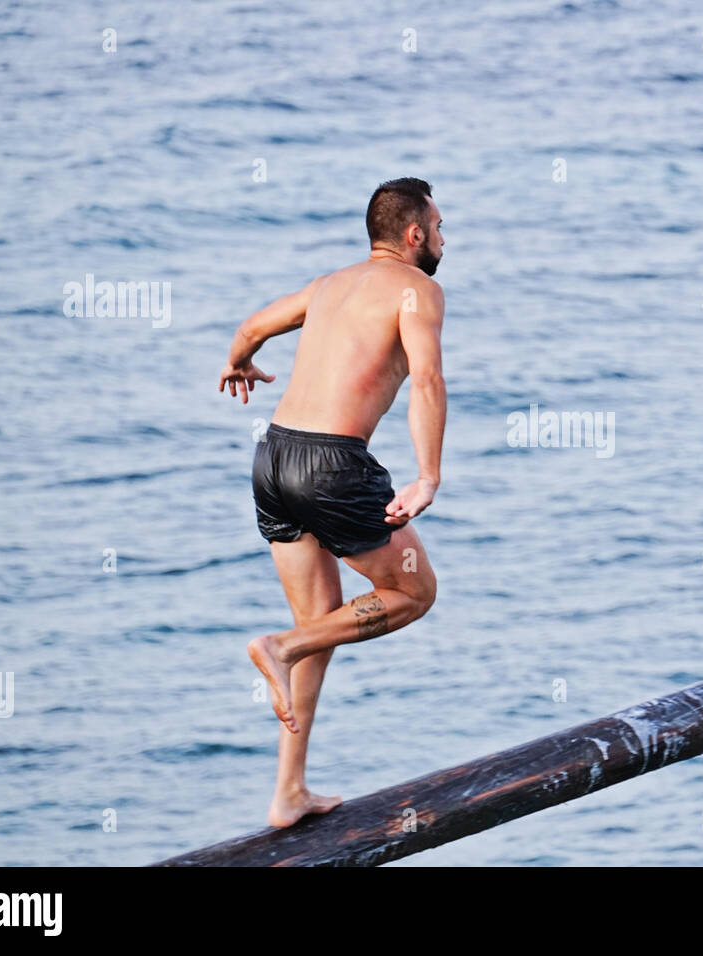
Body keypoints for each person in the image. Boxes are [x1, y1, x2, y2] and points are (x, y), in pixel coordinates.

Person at [217, 177, 446, 826]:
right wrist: (426, 476)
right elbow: (427, 379)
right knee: (413, 593)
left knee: (322, 628)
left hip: (275, 458)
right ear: (413, 234)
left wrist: (241, 361)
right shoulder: (419, 290)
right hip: (332, 464)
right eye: (439, 227)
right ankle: (279, 647)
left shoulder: (329, 285)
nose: (445, 238)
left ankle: (289, 792)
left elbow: (252, 326)